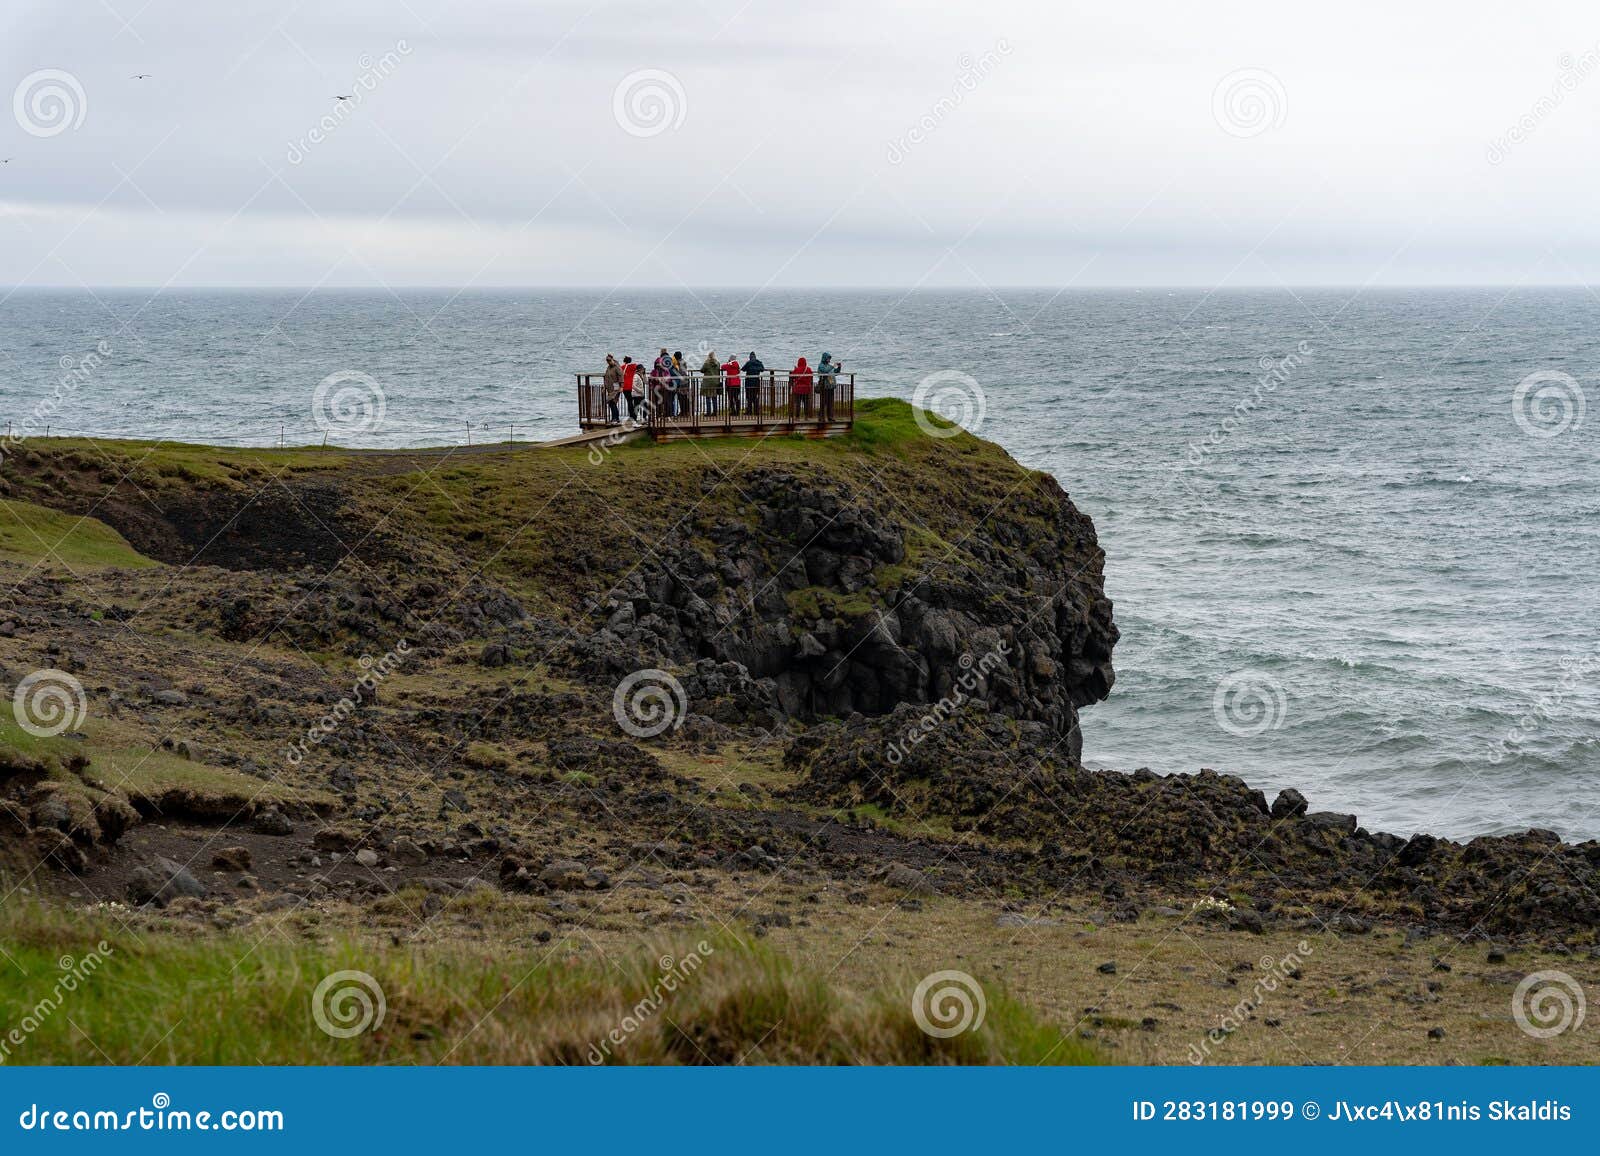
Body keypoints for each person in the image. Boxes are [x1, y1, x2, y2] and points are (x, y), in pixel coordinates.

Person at [816, 352, 842, 423]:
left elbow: (835, 373)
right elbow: (825, 371)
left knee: (830, 403)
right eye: (828, 358)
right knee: (823, 403)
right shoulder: (821, 365)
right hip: (824, 386)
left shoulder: (829, 366)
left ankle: (830, 417)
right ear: (824, 358)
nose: (829, 359)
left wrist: (839, 367)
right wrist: (833, 366)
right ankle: (821, 417)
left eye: (829, 358)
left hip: (831, 386)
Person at [789, 356, 813, 420]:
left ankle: (797, 417)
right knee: (806, 404)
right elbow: (810, 377)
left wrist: (795, 369)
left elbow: (792, 377)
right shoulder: (808, 369)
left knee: (798, 404)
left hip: (798, 390)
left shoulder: (797, 369)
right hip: (806, 389)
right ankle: (806, 417)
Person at [742, 350, 764, 417]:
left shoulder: (748, 363)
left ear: (750, 357)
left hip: (749, 383)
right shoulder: (759, 362)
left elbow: (743, 369)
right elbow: (762, 369)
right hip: (756, 383)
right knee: (755, 397)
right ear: (755, 357)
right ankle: (756, 411)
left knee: (749, 397)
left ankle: (749, 411)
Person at [602, 354, 622, 425]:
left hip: (616, 388)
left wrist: (621, 387)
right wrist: (605, 387)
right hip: (610, 388)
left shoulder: (617, 367)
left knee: (613, 402)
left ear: (612, 360)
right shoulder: (608, 368)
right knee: (611, 403)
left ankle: (615, 418)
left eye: (609, 360)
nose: (608, 362)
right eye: (607, 361)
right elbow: (606, 377)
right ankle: (615, 418)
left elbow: (621, 376)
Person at [700, 350, 722, 416]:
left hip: (708, 382)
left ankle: (708, 412)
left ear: (709, 356)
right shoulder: (717, 363)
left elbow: (702, 370)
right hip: (715, 382)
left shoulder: (707, 363)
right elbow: (718, 371)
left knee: (708, 397)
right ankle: (715, 412)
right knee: (714, 397)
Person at [619, 356, 641, 421]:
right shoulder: (634, 366)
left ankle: (631, 415)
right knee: (636, 401)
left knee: (629, 401)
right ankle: (635, 415)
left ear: (624, 361)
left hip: (625, 387)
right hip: (632, 386)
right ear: (630, 360)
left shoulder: (622, 367)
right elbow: (639, 369)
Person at [671, 350, 690, 418]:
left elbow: (678, 372)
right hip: (686, 381)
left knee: (681, 398)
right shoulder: (683, 361)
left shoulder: (677, 364)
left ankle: (683, 412)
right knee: (685, 397)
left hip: (681, 383)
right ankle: (686, 412)